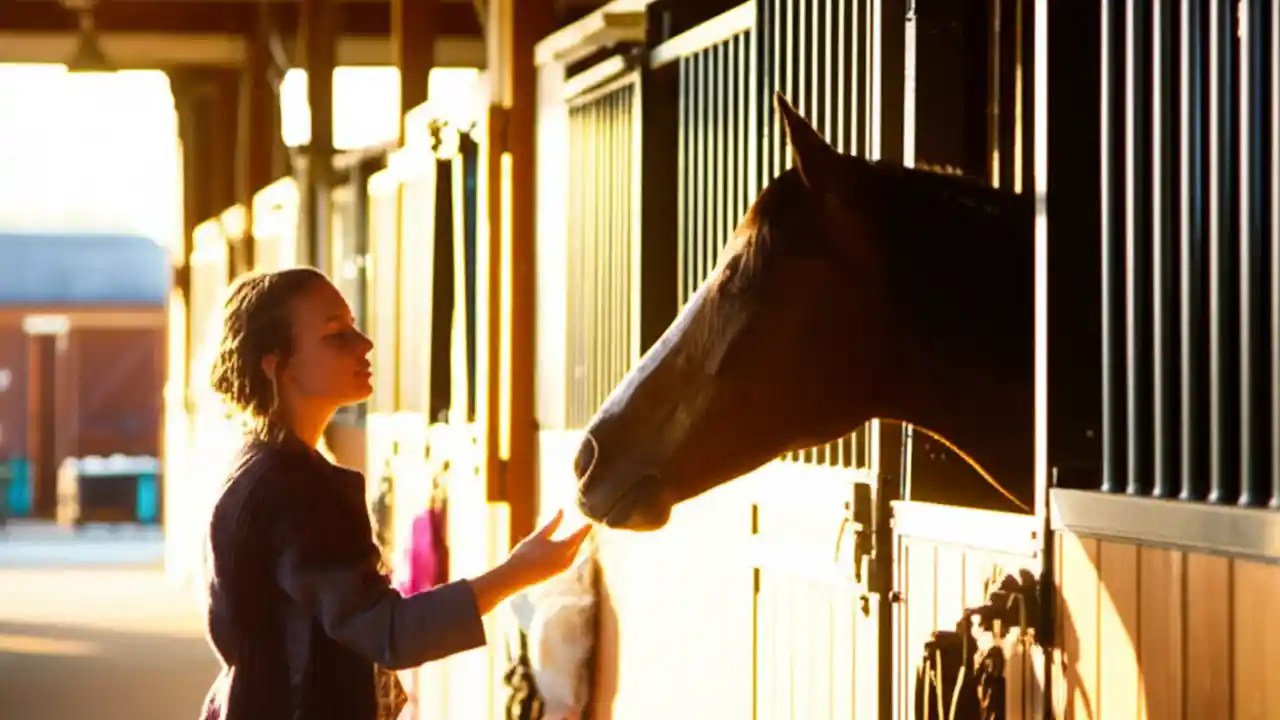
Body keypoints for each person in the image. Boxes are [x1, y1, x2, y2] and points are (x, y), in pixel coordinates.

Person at [199, 267, 592, 720]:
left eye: (352, 326)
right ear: (276, 364)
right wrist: (517, 572)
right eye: (335, 333)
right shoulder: (289, 487)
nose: (363, 344)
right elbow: (388, 631)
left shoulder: (261, 467)